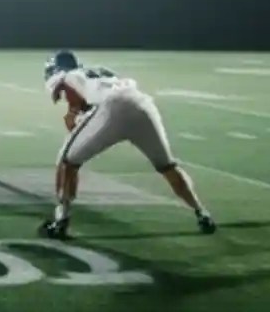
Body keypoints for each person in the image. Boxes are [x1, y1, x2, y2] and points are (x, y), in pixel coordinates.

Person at [38, 50, 216, 241]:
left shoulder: (69, 75)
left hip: (113, 108)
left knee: (68, 162)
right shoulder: (99, 72)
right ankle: (201, 212)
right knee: (167, 166)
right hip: (142, 104)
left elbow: (73, 96)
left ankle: (61, 220)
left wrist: (72, 113)